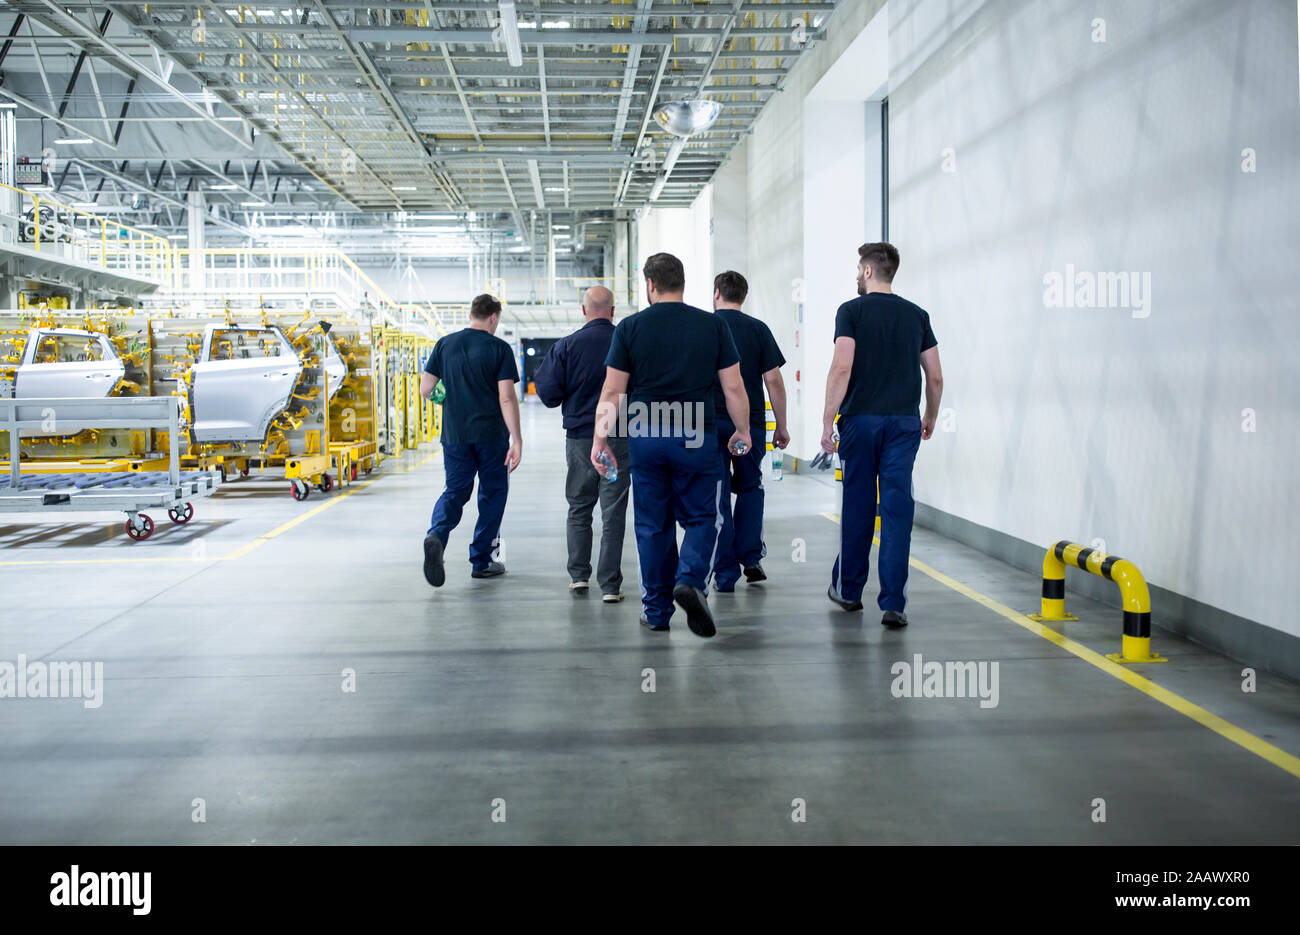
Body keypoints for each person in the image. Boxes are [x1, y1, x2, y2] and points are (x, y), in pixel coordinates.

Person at [591, 252, 752, 638]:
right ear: (683, 283)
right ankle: (691, 579)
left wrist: (600, 439)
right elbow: (733, 386)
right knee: (703, 517)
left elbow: (613, 391)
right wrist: (743, 430)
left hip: (644, 430)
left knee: (652, 524)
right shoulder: (711, 326)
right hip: (695, 428)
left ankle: (657, 611)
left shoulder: (629, 328)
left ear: (650, 285)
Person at [821, 242, 943, 627]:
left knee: (858, 506)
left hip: (860, 421)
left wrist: (827, 420)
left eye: (859, 268)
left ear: (869, 271)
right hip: (903, 424)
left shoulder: (851, 311)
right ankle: (893, 604)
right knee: (896, 509)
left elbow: (842, 366)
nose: (857, 275)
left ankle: (849, 591)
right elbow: (935, 375)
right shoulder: (916, 315)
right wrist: (930, 415)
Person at [533, 285, 631, 603]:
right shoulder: (627, 343)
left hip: (579, 440)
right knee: (612, 511)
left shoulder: (567, 346)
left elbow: (547, 393)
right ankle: (611, 586)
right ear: (613, 311)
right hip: (618, 438)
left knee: (579, 507)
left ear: (584, 310)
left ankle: (578, 577)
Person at [419, 293, 523, 587]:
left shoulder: (445, 344)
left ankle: (437, 534)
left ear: (471, 315)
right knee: (492, 495)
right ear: (493, 318)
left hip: (455, 434)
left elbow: (426, 388)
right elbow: (506, 396)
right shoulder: (499, 348)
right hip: (491, 436)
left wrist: (451, 402)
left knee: (455, 490)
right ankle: (482, 560)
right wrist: (517, 438)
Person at [709, 271, 790, 591]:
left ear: (717, 293)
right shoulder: (758, 330)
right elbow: (774, 381)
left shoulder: (707, 327)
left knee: (717, 495)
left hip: (712, 424)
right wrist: (781, 424)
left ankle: (725, 573)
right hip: (750, 424)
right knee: (750, 486)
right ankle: (752, 557)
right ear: (743, 296)